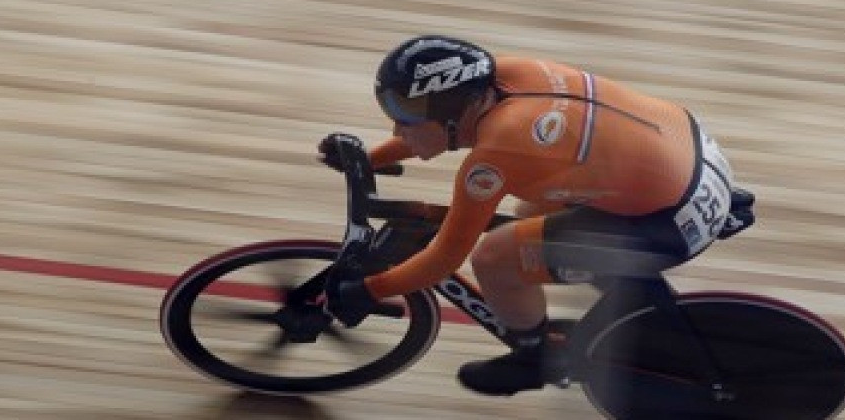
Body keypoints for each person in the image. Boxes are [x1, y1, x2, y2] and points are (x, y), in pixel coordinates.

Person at [317, 34, 751, 396]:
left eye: (406, 117)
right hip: (691, 159)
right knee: (531, 208)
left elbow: (447, 256)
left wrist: (373, 289)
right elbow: (429, 136)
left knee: (495, 257)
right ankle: (606, 287)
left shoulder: (497, 155)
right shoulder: (502, 76)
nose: (398, 130)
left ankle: (533, 356)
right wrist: (372, 158)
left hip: (667, 221)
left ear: (452, 108)